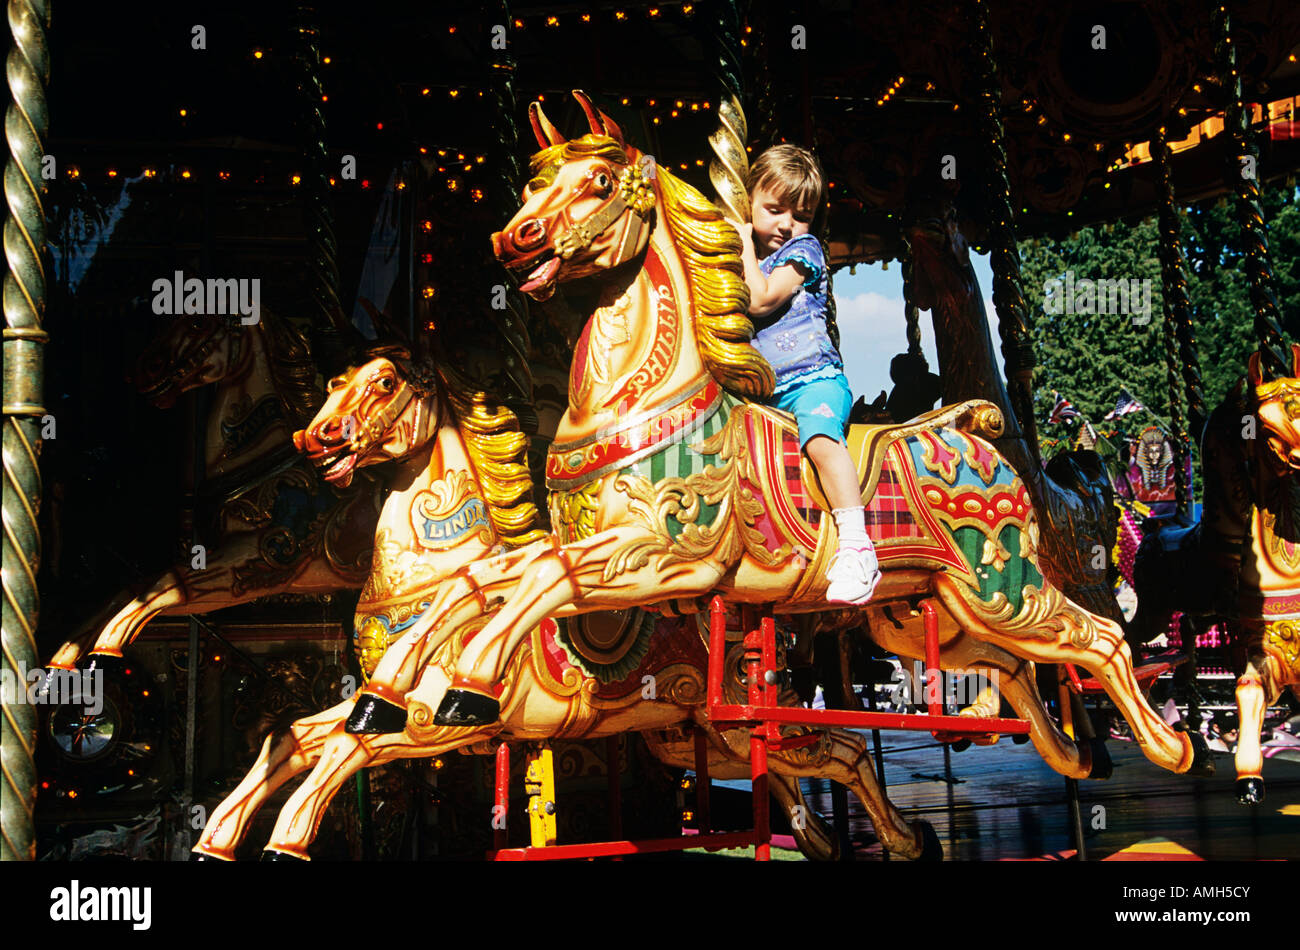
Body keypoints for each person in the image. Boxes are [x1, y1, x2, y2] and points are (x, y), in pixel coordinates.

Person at [736, 144, 881, 604]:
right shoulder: (749, 262)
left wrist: (739, 241)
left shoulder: (803, 251)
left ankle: (858, 544)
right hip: (765, 394)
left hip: (813, 382)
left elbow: (760, 301)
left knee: (820, 438)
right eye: (773, 209)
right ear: (750, 202)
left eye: (799, 214)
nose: (785, 224)